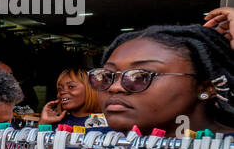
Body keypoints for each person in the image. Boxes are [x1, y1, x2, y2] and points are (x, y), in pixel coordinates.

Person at [91, 24, 234, 135]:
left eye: (140, 76)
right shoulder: (89, 146)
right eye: (106, 76)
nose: (114, 87)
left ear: (206, 88)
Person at [39, 68, 107, 128]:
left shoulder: (106, 123)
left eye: (71, 87)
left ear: (91, 90)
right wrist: (44, 122)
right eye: (60, 89)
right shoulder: (58, 123)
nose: (62, 92)